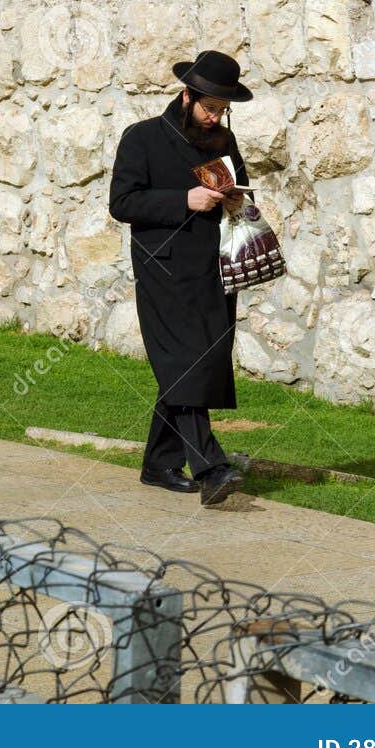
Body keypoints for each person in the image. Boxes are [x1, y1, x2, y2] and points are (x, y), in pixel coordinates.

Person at [107, 50, 254, 505]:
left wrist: (234, 201)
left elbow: (242, 190)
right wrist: (183, 201)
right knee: (186, 362)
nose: (214, 117)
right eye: (209, 107)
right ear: (187, 95)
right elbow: (123, 203)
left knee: (197, 363)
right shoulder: (143, 138)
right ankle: (212, 468)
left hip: (213, 270)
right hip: (163, 270)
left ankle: (158, 463)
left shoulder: (223, 142)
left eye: (221, 109)